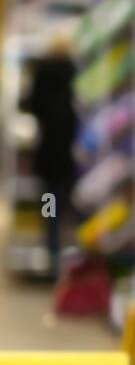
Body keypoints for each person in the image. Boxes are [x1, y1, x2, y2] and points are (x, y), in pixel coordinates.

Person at [19, 51, 78, 280]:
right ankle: (73, 255)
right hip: (71, 152)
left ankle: (51, 250)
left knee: (49, 202)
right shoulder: (74, 71)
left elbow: (32, 105)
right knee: (70, 204)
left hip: (48, 152)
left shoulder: (41, 73)